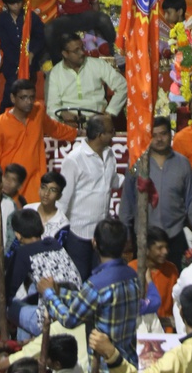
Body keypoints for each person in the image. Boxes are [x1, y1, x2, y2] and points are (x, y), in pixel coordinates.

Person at [37, 216, 139, 365]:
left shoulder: (96, 285)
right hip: (130, 362)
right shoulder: (133, 276)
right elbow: (88, 301)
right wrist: (60, 292)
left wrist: (49, 294)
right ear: (124, 245)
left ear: (94, 243)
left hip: (105, 365)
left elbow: (69, 319)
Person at [118, 116, 192, 267]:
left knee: (175, 281)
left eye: (163, 134)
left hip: (175, 235)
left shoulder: (183, 163)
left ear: (171, 134)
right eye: (154, 135)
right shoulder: (137, 163)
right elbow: (127, 202)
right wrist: (127, 236)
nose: (159, 139)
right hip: (144, 237)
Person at [0, 78, 76, 202]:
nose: (29, 101)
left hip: (35, 184)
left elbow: (55, 128)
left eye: (32, 97)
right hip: (11, 188)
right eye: (23, 98)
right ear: (13, 98)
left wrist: (77, 133)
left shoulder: (38, 112)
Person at [58, 113, 121, 280]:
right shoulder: (74, 159)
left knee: (100, 279)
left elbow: (112, 181)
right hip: (78, 234)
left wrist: (132, 179)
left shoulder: (109, 154)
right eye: (111, 131)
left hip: (100, 233)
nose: (114, 134)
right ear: (100, 135)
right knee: (78, 279)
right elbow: (63, 200)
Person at [45, 32, 128, 125]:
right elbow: (51, 106)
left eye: (82, 48)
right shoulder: (55, 73)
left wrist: (109, 113)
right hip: (68, 125)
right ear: (65, 54)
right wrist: (62, 114)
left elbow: (122, 86)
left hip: (97, 123)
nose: (82, 52)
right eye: (76, 50)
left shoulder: (97, 64)